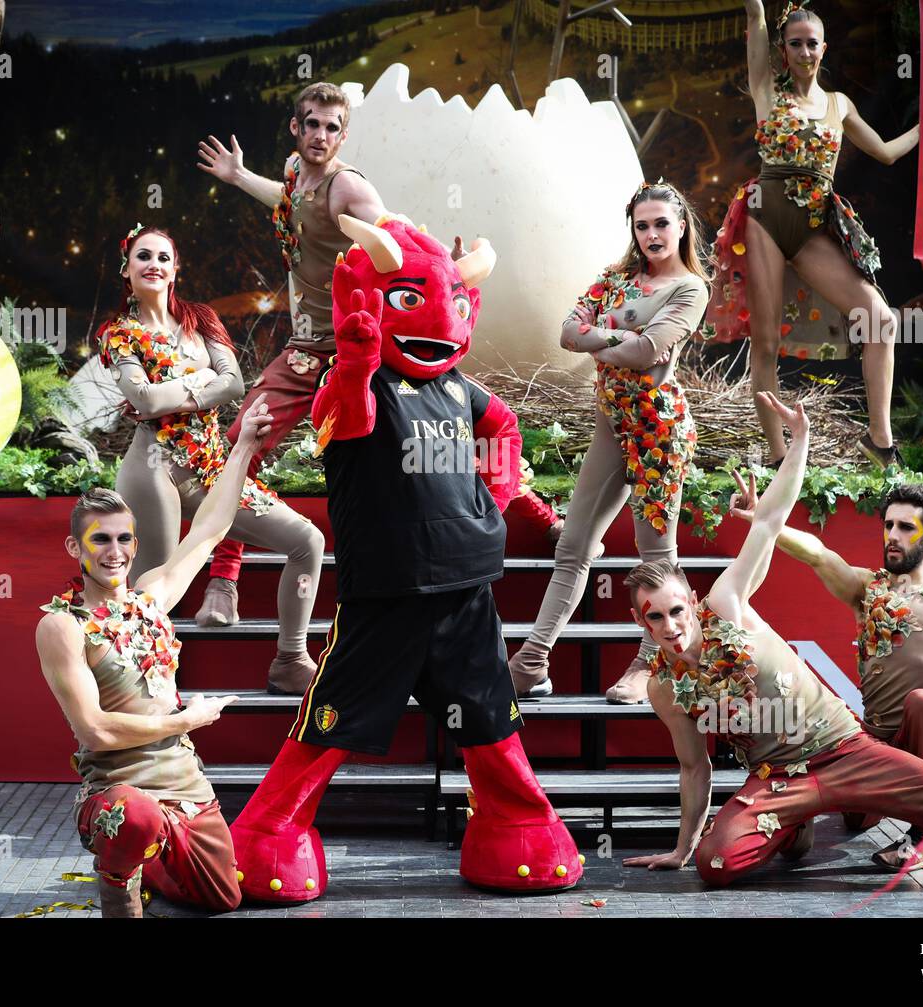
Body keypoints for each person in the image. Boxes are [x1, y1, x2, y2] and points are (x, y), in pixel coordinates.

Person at [227, 214, 582, 903]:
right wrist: (358, 357)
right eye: (411, 300)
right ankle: (267, 836)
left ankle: (516, 824)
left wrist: (495, 494)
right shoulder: (356, 382)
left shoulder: (456, 388)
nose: (439, 319)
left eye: (447, 300)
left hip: (466, 584)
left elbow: (503, 425)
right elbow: (338, 419)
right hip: (387, 590)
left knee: (489, 720)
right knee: (329, 723)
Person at [620, 392, 923, 889]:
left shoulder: (727, 605)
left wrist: (800, 441)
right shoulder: (665, 687)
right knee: (715, 865)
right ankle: (792, 831)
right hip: (778, 779)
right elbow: (693, 768)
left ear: (693, 602)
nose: (671, 625)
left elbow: (770, 522)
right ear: (642, 622)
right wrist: (683, 849)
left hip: (848, 749)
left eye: (677, 610)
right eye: (655, 617)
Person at [195, 82, 562, 626]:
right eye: (312, 124)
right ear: (296, 129)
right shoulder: (299, 175)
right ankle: (222, 582)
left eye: (332, 127)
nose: (321, 135)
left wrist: (442, 266)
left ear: (344, 135)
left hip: (366, 349)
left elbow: (397, 229)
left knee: (461, 428)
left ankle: (543, 518)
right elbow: (289, 200)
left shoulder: (350, 189)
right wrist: (239, 177)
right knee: (241, 446)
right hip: (305, 351)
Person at [35, 397, 274, 918]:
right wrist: (187, 719)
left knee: (223, 900)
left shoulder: (153, 596)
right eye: (100, 540)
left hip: (184, 782)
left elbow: (210, 527)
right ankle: (118, 880)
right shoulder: (62, 626)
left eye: (124, 538)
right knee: (134, 818)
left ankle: (156, 859)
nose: (114, 550)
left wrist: (244, 449)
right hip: (119, 792)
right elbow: (95, 731)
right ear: (76, 549)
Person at [726, 475, 923, 871]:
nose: (892, 535)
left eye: (906, 528)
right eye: (889, 525)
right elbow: (818, 555)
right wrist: (764, 522)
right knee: (853, 814)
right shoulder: (867, 587)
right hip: (878, 740)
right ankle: (814, 819)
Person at [97, 224, 324, 694]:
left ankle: (290, 659)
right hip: (153, 469)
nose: (154, 264)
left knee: (308, 541)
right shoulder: (118, 333)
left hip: (215, 469)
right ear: (127, 270)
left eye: (164, 256)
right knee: (155, 588)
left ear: (175, 269)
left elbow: (235, 384)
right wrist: (203, 382)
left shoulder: (200, 320)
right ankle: (148, 697)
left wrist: (171, 393)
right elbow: (144, 399)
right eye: (144, 256)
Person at [508, 180, 710, 704]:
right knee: (573, 546)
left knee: (657, 559)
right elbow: (566, 334)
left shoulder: (690, 289)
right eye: (642, 225)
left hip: (658, 434)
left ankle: (650, 667)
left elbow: (647, 353)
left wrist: (603, 339)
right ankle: (531, 661)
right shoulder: (617, 276)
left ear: (682, 225)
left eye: (662, 223)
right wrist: (625, 344)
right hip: (611, 422)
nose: (651, 234)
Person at [706, 1, 919, 467]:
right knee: (764, 343)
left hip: (814, 228)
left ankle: (879, 441)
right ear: (783, 50)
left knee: (880, 320)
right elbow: (755, 17)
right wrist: (757, 10)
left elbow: (884, 152)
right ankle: (781, 454)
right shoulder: (767, 90)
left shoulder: (839, 104)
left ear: (825, 48)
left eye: (812, 44)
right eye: (795, 43)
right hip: (765, 219)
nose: (804, 52)